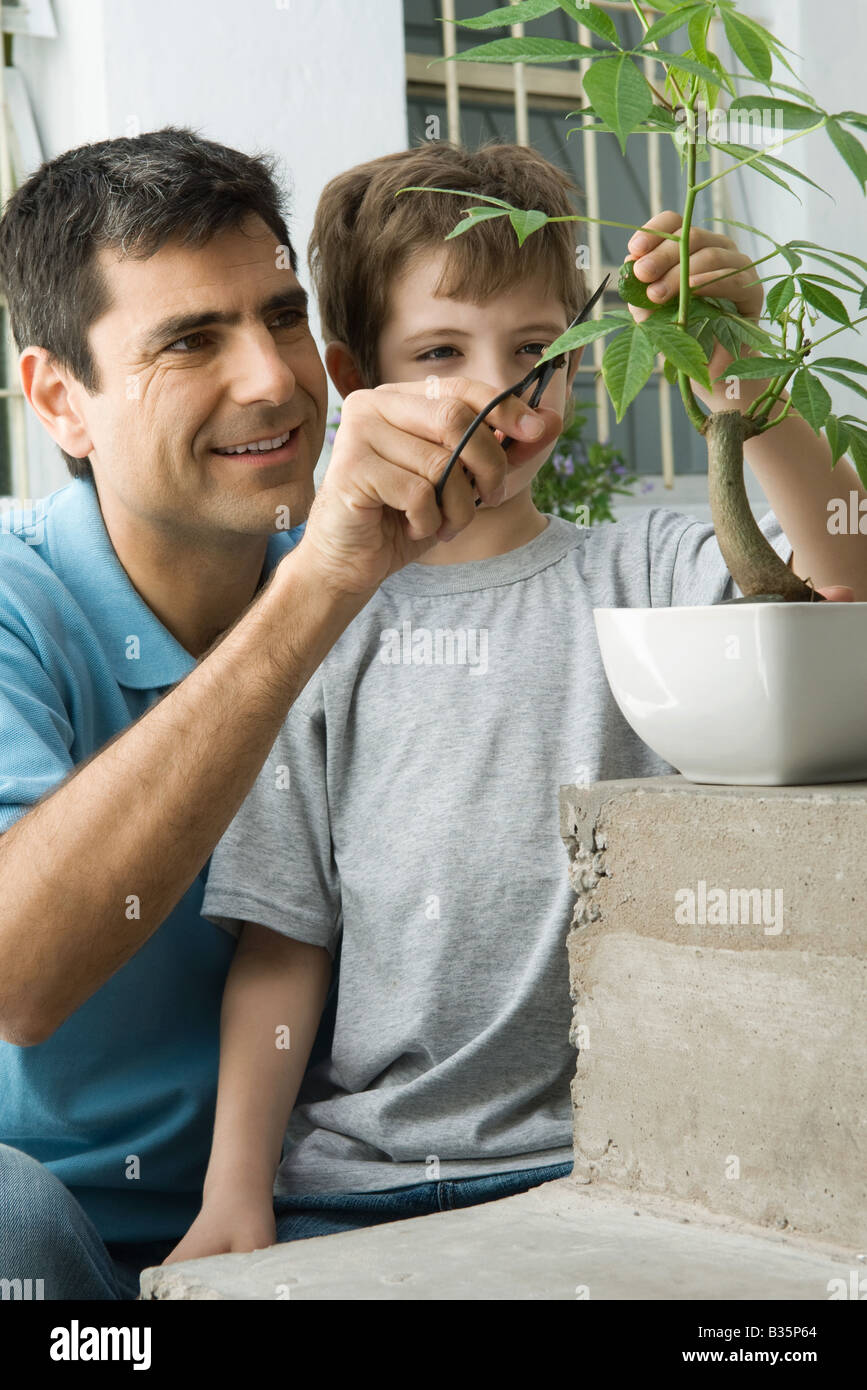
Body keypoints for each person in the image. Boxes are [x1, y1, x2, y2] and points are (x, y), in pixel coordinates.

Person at [164, 142, 866, 1264]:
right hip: (355, 1182)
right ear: (356, 379)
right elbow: (284, 938)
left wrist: (747, 373)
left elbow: (847, 568)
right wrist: (234, 1194)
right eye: (442, 350)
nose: (505, 390)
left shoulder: (649, 571)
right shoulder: (312, 619)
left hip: (608, 1166)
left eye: (540, 348)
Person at [0, 128, 545, 1300]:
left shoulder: (399, 578)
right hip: (62, 1240)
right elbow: (18, 977)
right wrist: (318, 590)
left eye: (283, 317)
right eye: (191, 339)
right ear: (61, 400)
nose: (272, 379)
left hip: (325, 1213)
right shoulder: (21, 599)